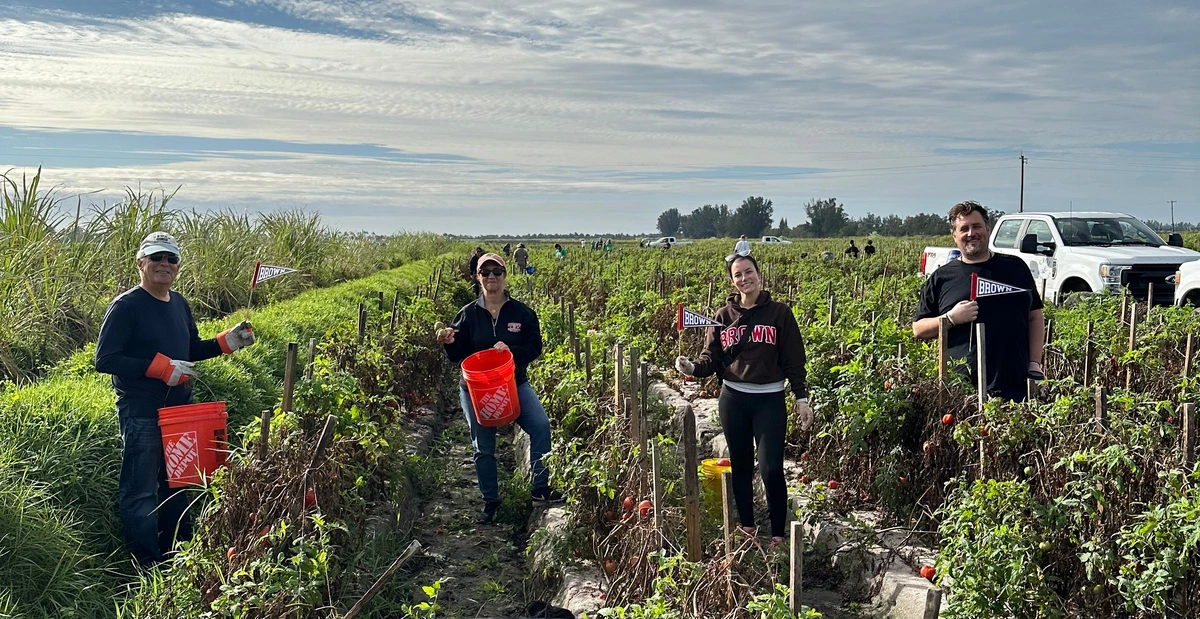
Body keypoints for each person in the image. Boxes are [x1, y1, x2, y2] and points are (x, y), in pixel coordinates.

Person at [95, 232, 257, 566]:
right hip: (142, 412)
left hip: (180, 413)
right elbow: (105, 360)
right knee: (140, 491)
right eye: (156, 258)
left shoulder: (179, 303)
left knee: (178, 484)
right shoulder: (126, 307)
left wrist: (229, 341)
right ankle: (145, 562)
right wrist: (158, 368)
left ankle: (176, 554)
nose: (164, 264)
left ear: (178, 267)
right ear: (141, 263)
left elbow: (191, 349)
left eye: (171, 259)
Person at [674, 253, 811, 549]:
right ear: (732, 280)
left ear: (759, 274)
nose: (744, 278)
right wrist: (693, 369)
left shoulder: (779, 314)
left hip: (769, 400)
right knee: (741, 465)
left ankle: (777, 534)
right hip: (733, 399)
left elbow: (794, 359)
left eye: (748, 272)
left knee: (771, 467)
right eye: (738, 275)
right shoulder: (723, 316)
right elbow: (712, 357)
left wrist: (801, 397)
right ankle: (747, 528)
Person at [436, 253, 562, 523]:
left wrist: (512, 351)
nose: (491, 277)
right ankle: (491, 501)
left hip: (513, 384)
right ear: (478, 276)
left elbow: (534, 346)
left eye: (497, 271)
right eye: (485, 272)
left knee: (540, 426)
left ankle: (540, 489)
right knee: (483, 444)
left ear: (505, 275)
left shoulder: (522, 313)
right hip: (477, 391)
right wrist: (449, 341)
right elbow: (458, 354)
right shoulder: (468, 314)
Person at [912, 201, 1045, 401]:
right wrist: (951, 318)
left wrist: (1034, 363)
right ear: (954, 236)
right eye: (964, 229)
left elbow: (1035, 315)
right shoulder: (942, 278)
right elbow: (918, 329)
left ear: (988, 230)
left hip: (1016, 385)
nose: (971, 233)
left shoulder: (1015, 268)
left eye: (977, 226)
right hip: (962, 391)